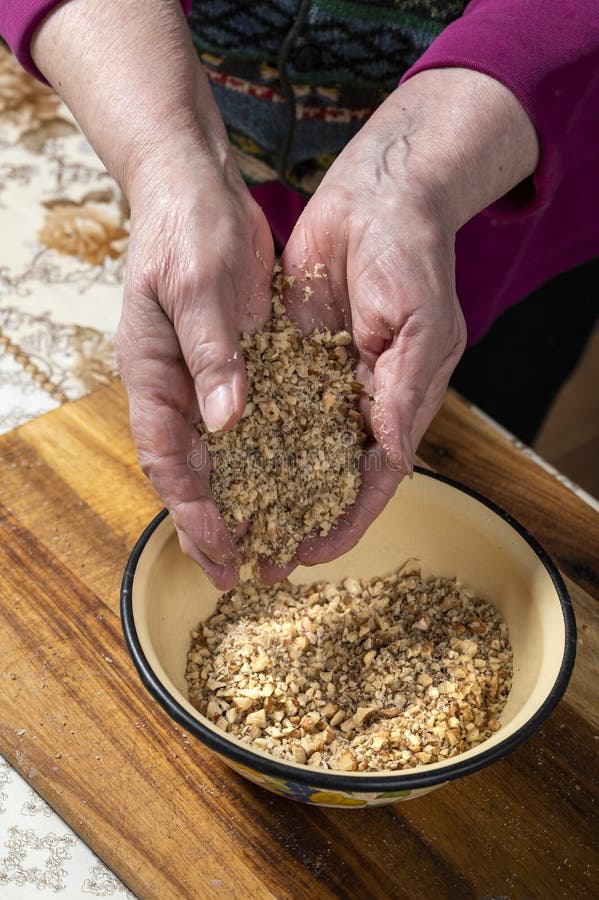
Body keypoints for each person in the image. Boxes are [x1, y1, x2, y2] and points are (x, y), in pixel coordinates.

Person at [1, 1, 597, 588]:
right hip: (174, 112)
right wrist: (169, 155)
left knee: (490, 461)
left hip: (492, 176)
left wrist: (413, 177)